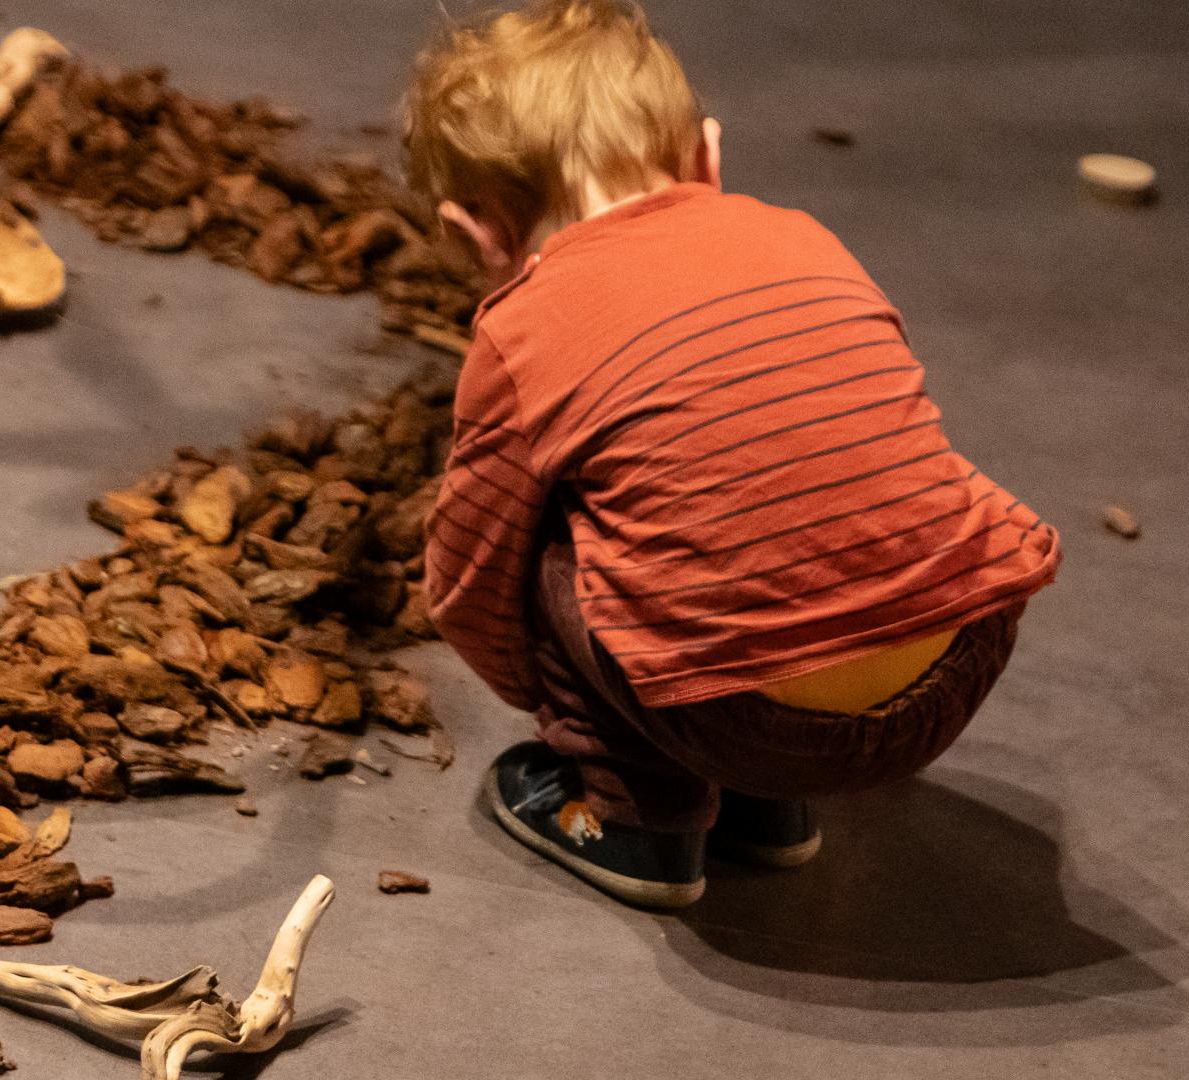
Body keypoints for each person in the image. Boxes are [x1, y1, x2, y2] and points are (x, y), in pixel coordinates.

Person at [403, 0, 1061, 908]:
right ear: (707, 156)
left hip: (734, 716)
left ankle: (641, 822)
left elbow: (471, 581)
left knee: (547, 531)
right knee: (786, 480)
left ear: (476, 234)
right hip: (959, 659)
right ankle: (770, 807)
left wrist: (562, 708)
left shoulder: (522, 328)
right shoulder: (802, 236)